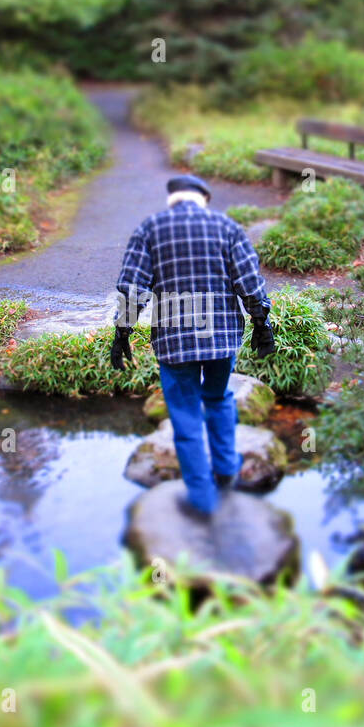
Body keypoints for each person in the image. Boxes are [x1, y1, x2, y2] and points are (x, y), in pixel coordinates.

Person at [111, 174, 276, 517]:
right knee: (218, 398)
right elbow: (250, 283)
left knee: (185, 416)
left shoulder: (150, 228)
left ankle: (202, 498)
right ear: (204, 197)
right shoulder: (227, 227)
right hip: (221, 339)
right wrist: (263, 324)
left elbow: (132, 287)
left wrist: (121, 333)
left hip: (174, 340)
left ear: (172, 198)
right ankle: (228, 468)